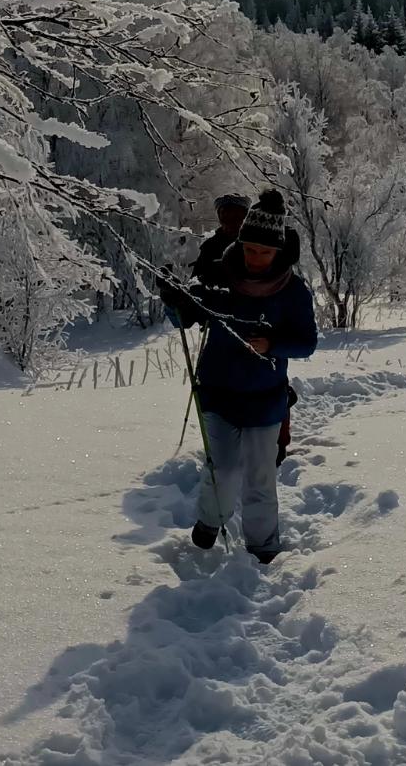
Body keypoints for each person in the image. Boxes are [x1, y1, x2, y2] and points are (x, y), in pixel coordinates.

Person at [163, 189, 317, 562]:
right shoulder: (220, 276)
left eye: (265, 252)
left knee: (261, 478)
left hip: (265, 398)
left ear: (279, 251)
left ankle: (263, 547)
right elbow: (188, 317)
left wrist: (273, 345)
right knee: (226, 468)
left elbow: (306, 343)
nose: (257, 259)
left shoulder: (294, 292)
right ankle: (209, 522)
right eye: (250, 250)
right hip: (218, 389)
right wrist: (174, 300)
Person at [193, 194, 249, 275]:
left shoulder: (254, 245)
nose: (231, 222)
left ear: (244, 218)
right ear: (220, 217)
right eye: (226, 215)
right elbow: (196, 279)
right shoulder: (210, 246)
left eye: (236, 216)